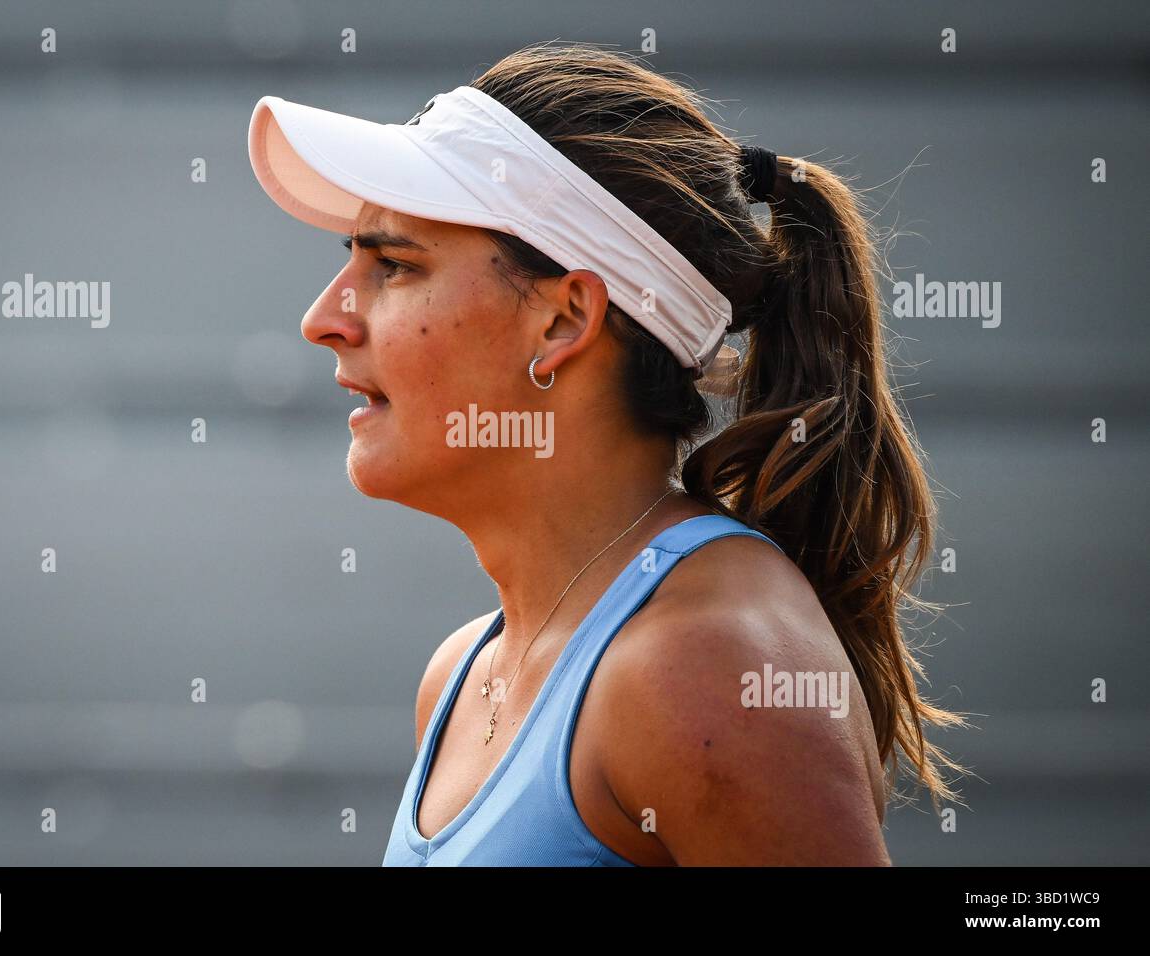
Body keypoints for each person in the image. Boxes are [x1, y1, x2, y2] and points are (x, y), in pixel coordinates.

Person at [247, 41, 965, 866]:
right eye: (353, 262)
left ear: (563, 321)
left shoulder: (704, 668)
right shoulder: (462, 675)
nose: (323, 318)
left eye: (395, 265)